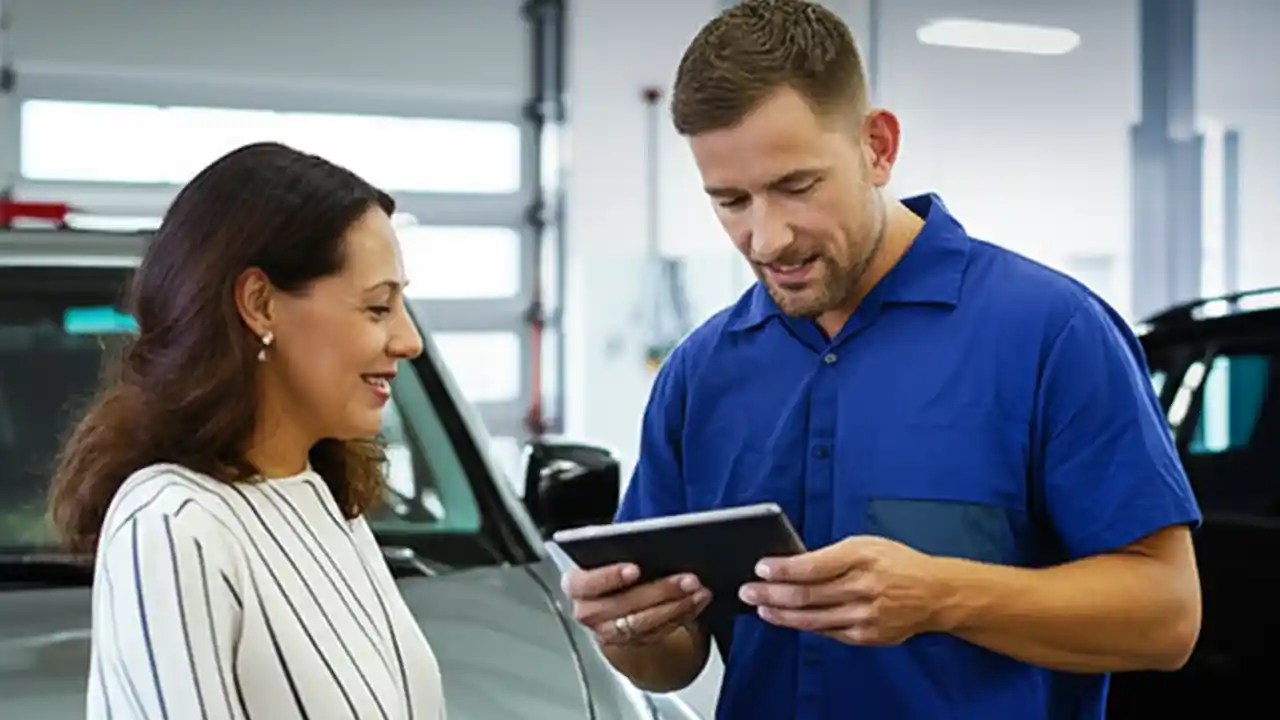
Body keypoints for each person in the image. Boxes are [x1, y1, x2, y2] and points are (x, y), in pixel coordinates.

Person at [561, 1, 1203, 718]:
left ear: (878, 147)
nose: (767, 238)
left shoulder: (1053, 334)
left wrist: (941, 596)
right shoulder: (701, 372)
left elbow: (1167, 618)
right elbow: (672, 664)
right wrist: (627, 630)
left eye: (796, 187)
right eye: (730, 201)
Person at [48, 142, 447, 719]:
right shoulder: (171, 524)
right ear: (260, 304)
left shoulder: (328, 502)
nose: (409, 340)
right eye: (378, 308)